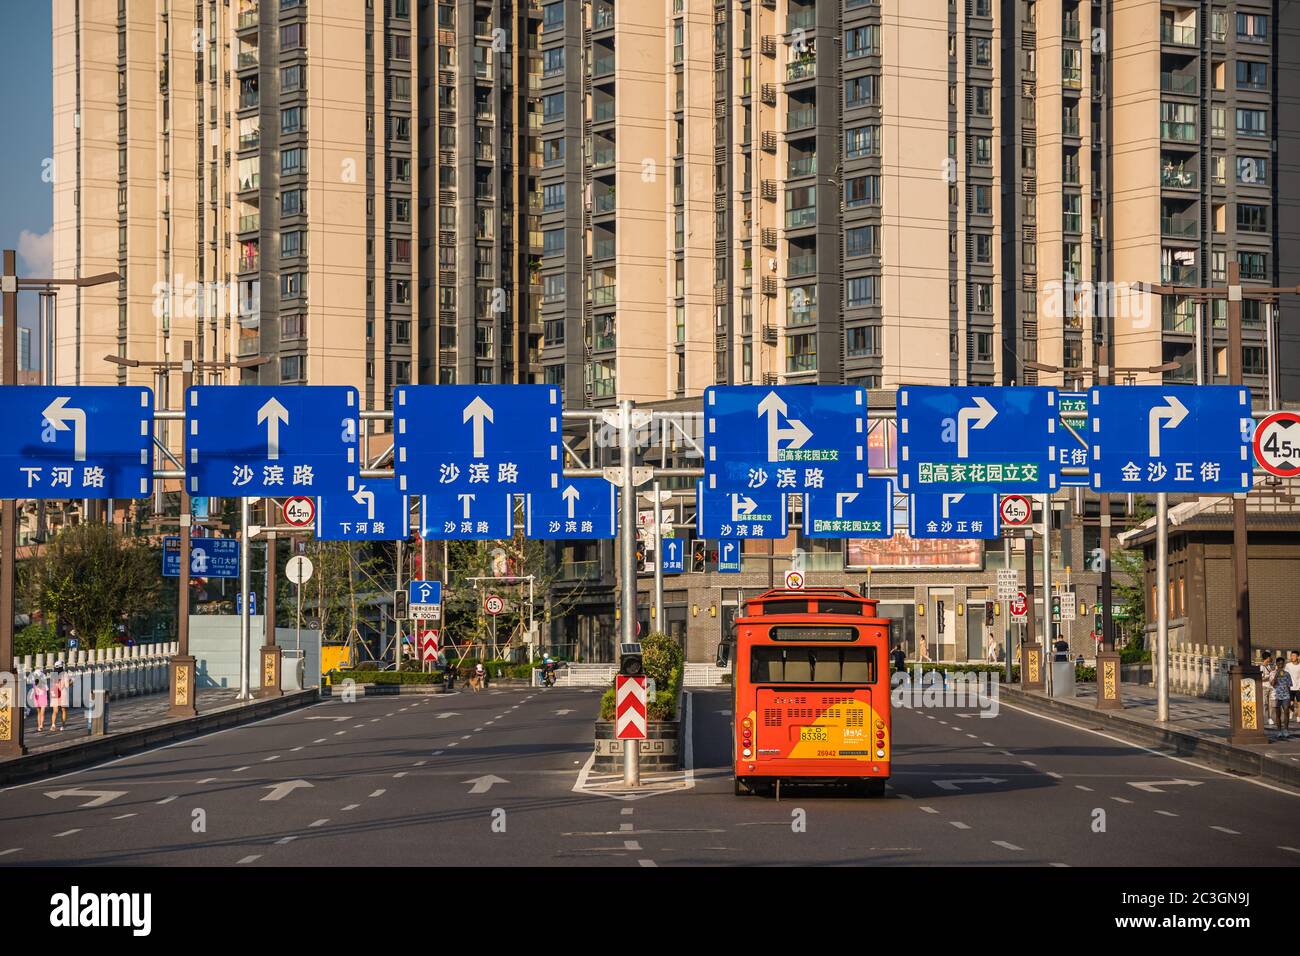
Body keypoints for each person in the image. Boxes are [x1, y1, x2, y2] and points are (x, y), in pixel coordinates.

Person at [1271, 655, 1292, 739]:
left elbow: (1289, 685)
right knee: (1278, 714)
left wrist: (1290, 697)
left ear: (1284, 665)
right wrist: (1276, 675)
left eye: (1282, 664)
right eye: (1279, 663)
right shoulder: (1273, 673)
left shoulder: (1287, 674)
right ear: (1276, 664)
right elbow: (1272, 684)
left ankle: (1286, 730)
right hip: (1276, 695)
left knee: (1286, 712)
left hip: (1286, 695)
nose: (1280, 665)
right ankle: (1279, 730)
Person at [50, 660, 71, 731]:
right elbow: (67, 685)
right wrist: (71, 682)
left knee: (55, 711)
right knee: (63, 710)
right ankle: (62, 726)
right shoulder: (65, 674)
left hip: (55, 694)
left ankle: (53, 725)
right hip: (63, 694)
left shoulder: (53, 674)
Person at [1261, 652, 1277, 727]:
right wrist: (1269, 675)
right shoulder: (1261, 667)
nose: (1271, 658)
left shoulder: (1269, 666)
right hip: (1264, 687)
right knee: (1264, 704)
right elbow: (1261, 678)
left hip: (1271, 686)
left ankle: (1270, 718)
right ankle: (1262, 719)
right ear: (1267, 658)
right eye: (1270, 657)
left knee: (1271, 704)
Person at [1287, 651, 1300, 721]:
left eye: (1294, 656)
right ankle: (1291, 712)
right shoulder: (1288, 665)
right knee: (1290, 702)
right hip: (1290, 687)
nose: (1292, 657)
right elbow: (1286, 675)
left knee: (1299, 703)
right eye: (1291, 656)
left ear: (1298, 657)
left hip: (1298, 687)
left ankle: (1298, 716)